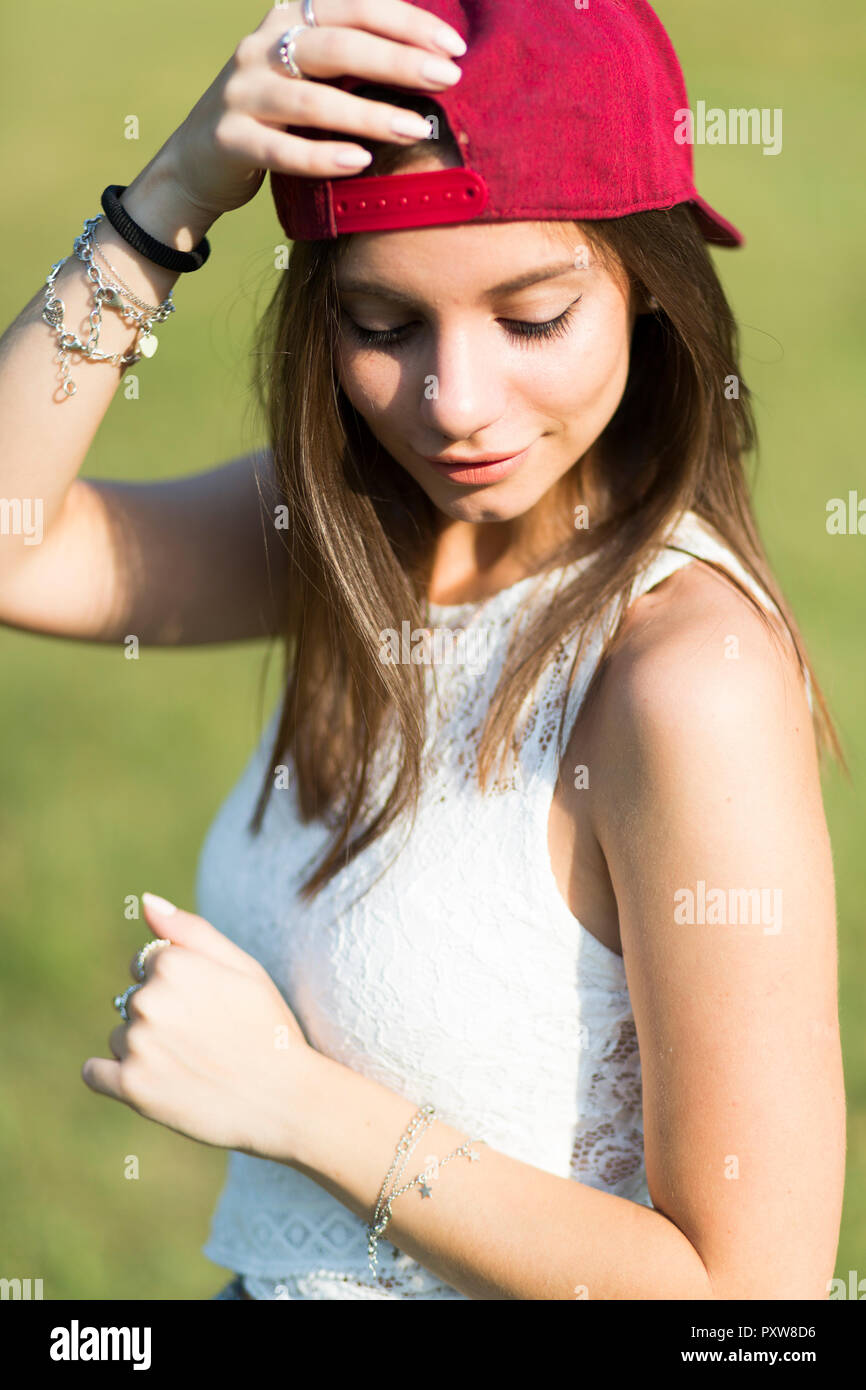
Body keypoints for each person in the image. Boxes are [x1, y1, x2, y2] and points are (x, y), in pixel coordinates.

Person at [1, 0, 845, 1300]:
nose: (454, 407)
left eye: (532, 317)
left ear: (649, 286)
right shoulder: (356, 530)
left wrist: (294, 1101)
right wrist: (163, 201)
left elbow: (748, 1297)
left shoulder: (686, 680)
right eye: (382, 326)